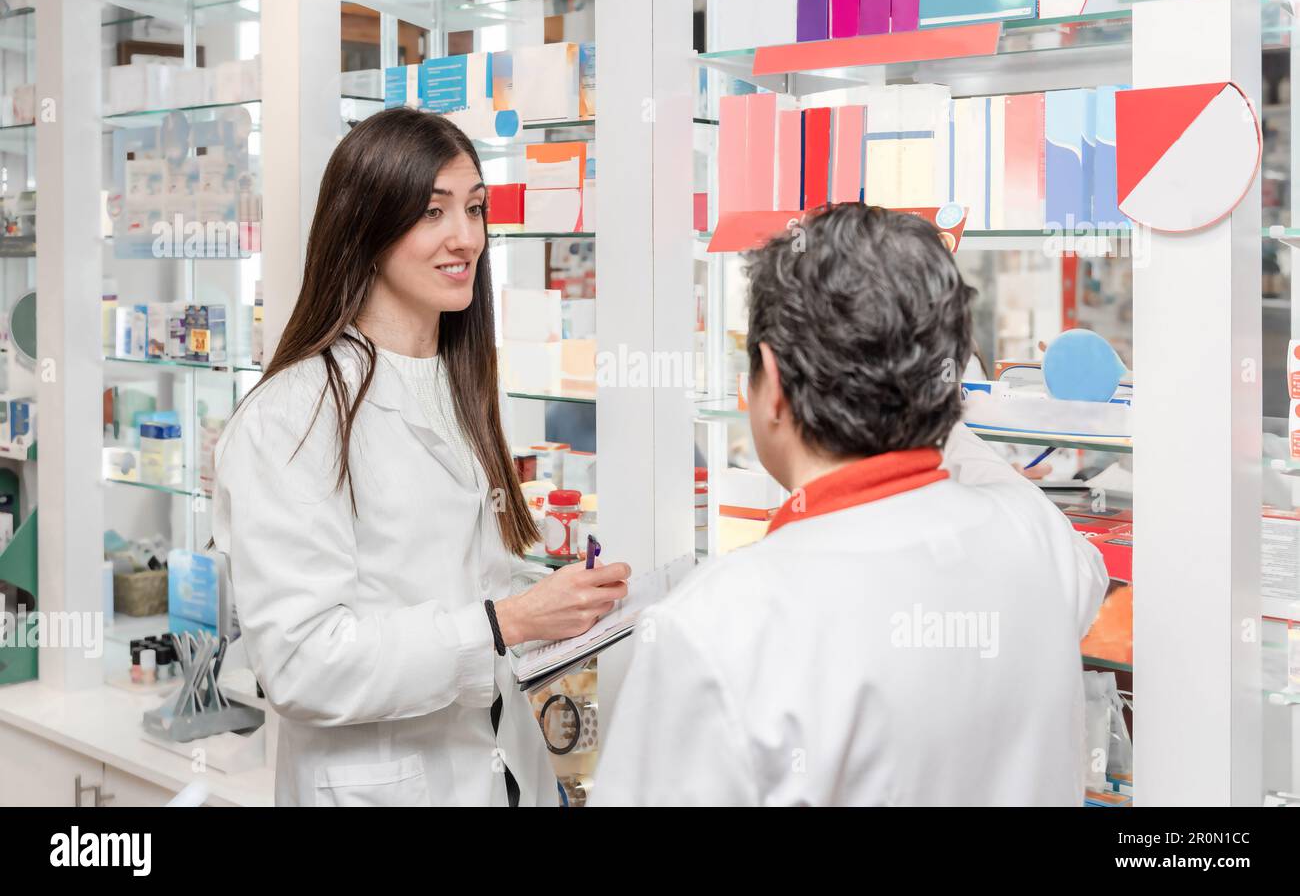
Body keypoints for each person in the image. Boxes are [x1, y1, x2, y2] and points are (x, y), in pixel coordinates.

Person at [592, 204, 1108, 806]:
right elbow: (1057, 541)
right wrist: (922, 392)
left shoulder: (715, 628)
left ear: (772, 383)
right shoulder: (1036, 540)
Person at [212, 108, 629, 806]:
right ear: (366, 229)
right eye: (432, 212)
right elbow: (302, 660)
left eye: (474, 209)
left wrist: (568, 603)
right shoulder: (293, 414)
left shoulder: (457, 384)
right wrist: (507, 622)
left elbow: (459, 576)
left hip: (494, 771)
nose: (465, 237)